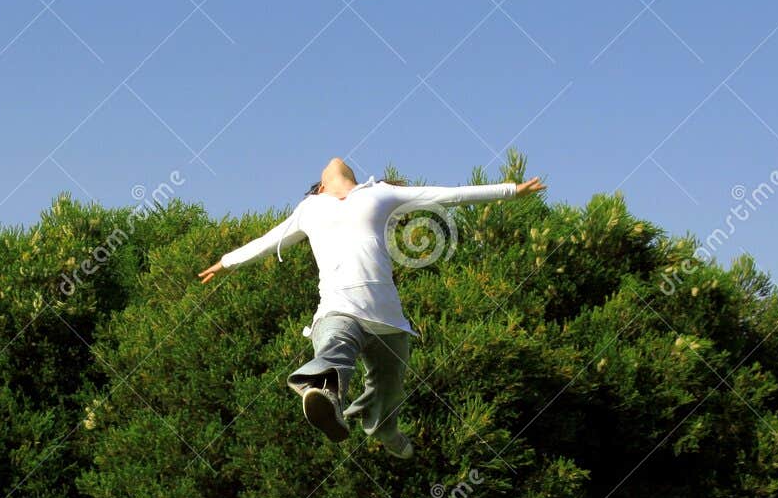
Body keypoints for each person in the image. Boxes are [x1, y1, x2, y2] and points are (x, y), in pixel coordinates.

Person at [197, 157, 545, 458]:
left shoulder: (379, 193)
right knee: (334, 349)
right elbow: (267, 241)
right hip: (338, 310)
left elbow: (445, 195)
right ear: (320, 187)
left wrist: (510, 190)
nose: (335, 160)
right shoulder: (310, 209)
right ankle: (324, 395)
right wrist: (225, 262)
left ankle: (382, 428)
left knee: (388, 388)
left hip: (388, 320)